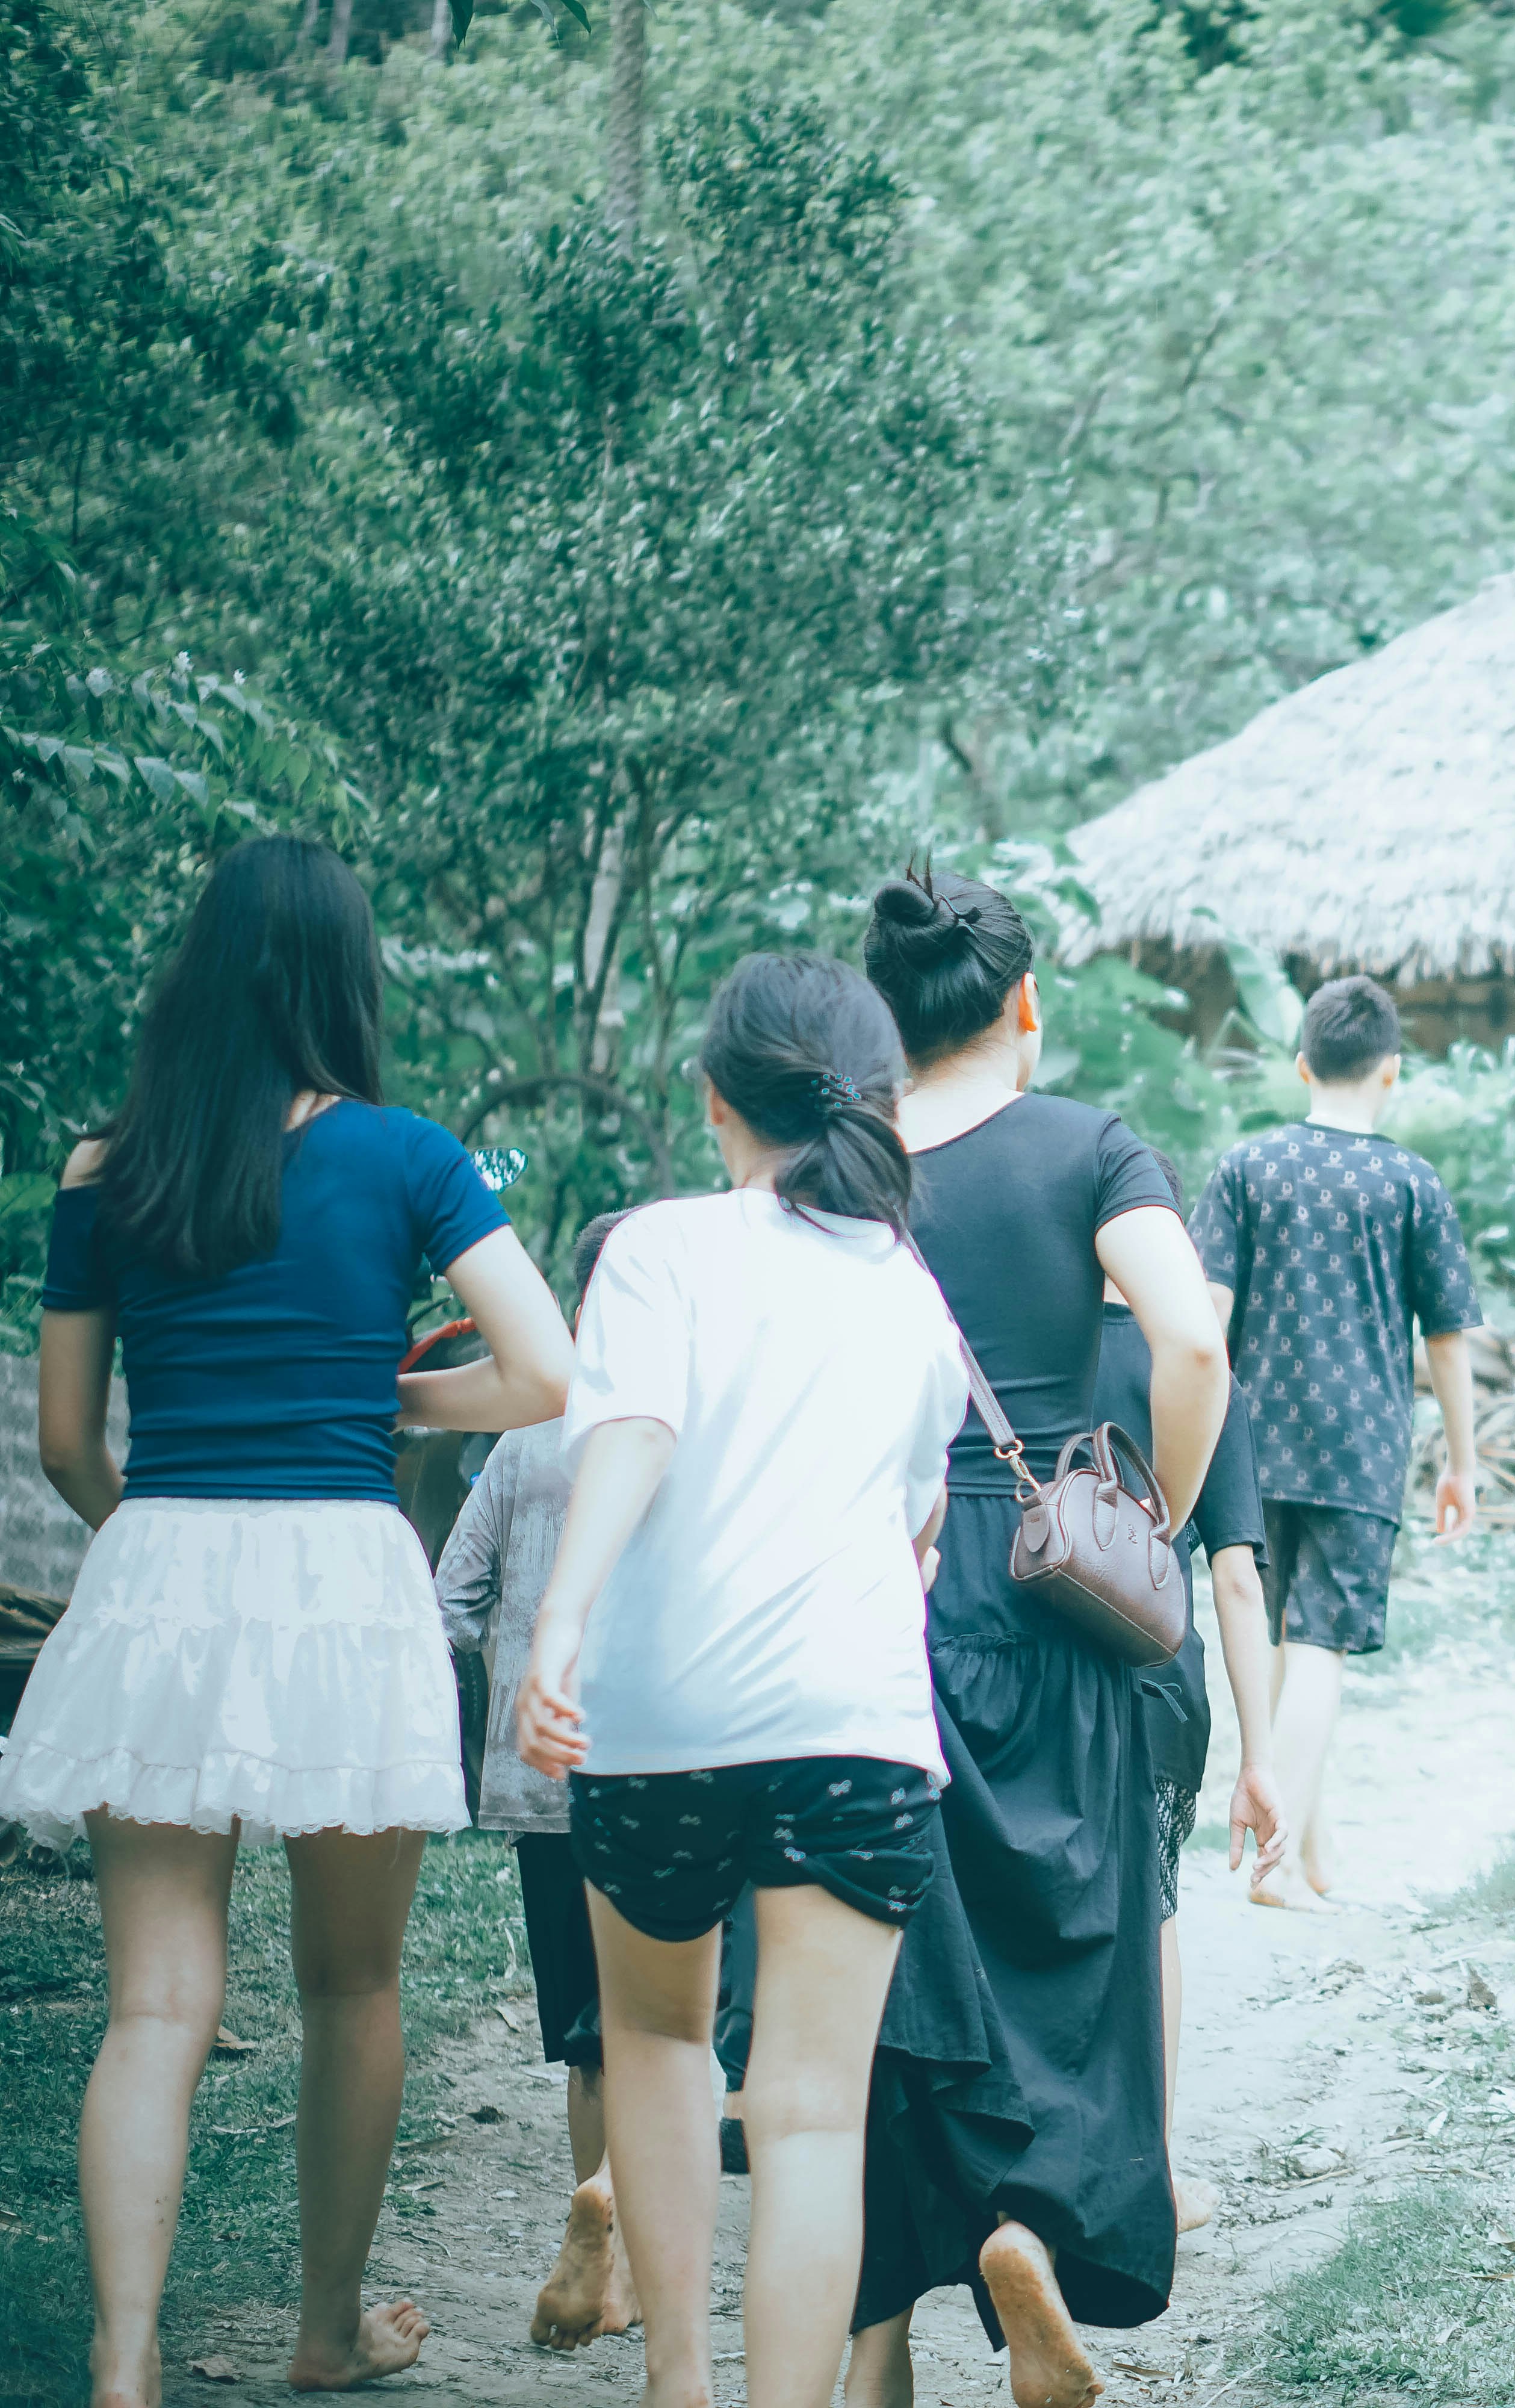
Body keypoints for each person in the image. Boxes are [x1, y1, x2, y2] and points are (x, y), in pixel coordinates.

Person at [4, 835, 576, 2404]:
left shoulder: (106, 1169)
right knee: (352, 1984)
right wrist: (387, 1390)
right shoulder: (406, 1156)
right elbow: (543, 1375)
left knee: (156, 2000)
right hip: (342, 1572)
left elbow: (66, 1440)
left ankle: (123, 2369)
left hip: (166, 1562)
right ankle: (327, 2329)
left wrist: (159, 1562)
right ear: (345, 977)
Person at [508, 953, 968, 2408]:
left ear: (715, 1099)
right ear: (871, 1100)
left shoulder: (658, 1247)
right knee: (814, 2115)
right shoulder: (909, 1284)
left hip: (658, 1725)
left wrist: (561, 1619)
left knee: (654, 2038)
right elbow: (915, 1523)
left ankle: (679, 2386)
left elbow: (631, 1430)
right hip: (856, 1724)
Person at [849, 870, 1230, 2408]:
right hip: (1055, 1570)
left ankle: (881, 2337)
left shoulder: (838, 1163)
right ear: (1023, 1002)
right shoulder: (1091, 1145)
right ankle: (1034, 2231)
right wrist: (1157, 1514)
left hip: (883, 1577)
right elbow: (1190, 1337)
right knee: (1078, 1932)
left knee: (898, 1961)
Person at [1195, 975, 1481, 1911]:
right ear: (1392, 1071)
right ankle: (1280, 1871)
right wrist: (1462, 1463)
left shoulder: (1246, 1167)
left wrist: (1187, 1444)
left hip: (1250, 1435)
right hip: (1360, 1447)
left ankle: (1312, 1848)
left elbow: (1208, 1321)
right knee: (1319, 1645)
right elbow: (1447, 1335)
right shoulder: (1410, 1182)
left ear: (1302, 1065)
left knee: (1275, 1635)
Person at [436, 1205, 642, 2352]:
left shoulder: (520, 1446)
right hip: (662, 1772)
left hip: (536, 1778)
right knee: (670, 2021)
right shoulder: (680, 1430)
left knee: (587, 2035)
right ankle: (622, 2202)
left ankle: (599, 2243)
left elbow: (448, 1603)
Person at [1093, 1273, 1284, 2232]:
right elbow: (1238, 1582)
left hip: (1017, 1680)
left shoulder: (1016, 1351)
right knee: (1150, 1915)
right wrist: (1261, 1756)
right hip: (1159, 1678)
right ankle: (1149, 2172)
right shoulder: (1198, 1368)